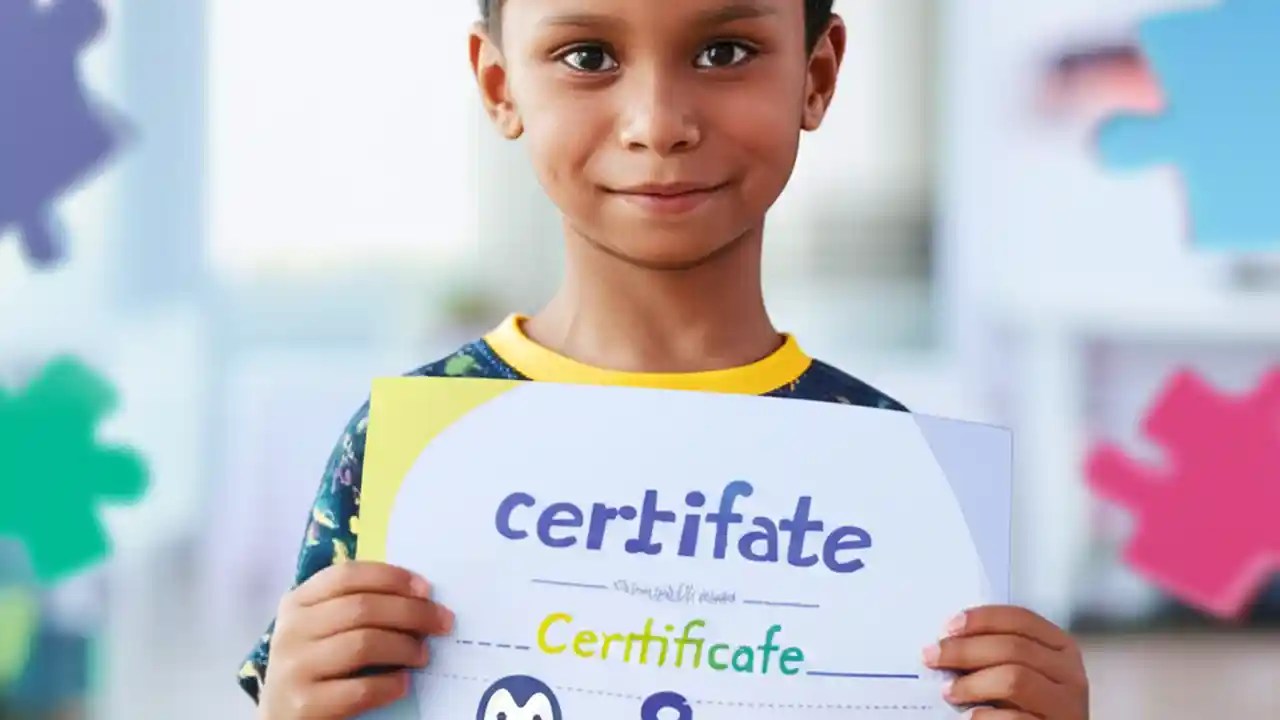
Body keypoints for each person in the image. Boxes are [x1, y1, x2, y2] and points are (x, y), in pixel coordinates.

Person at [239, 1, 1091, 718]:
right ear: (500, 86)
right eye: (587, 55)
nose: (660, 124)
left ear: (817, 74)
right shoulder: (400, 452)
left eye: (724, 52)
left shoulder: (899, 479)